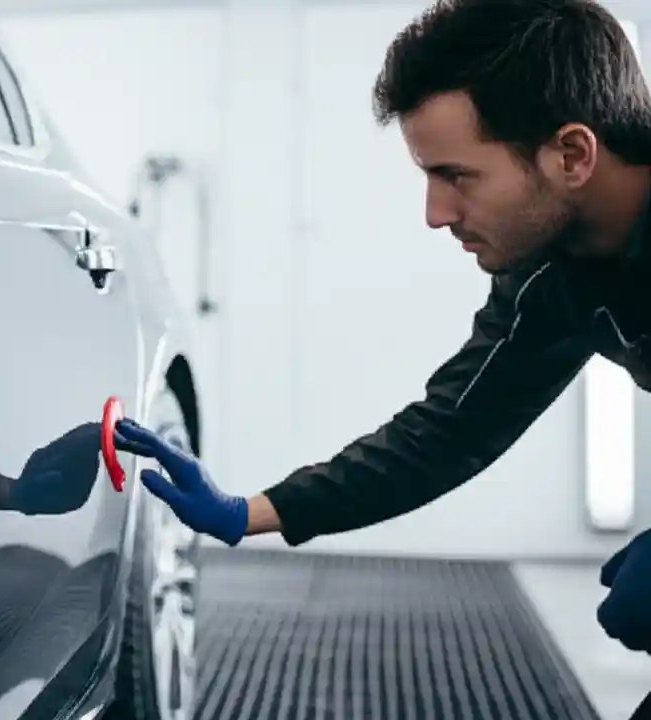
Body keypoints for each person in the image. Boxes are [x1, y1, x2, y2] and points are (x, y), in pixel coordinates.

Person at [115, 0, 651, 681]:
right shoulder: (548, 276)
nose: (435, 214)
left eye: (457, 177)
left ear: (571, 154)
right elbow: (450, 430)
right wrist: (245, 513)